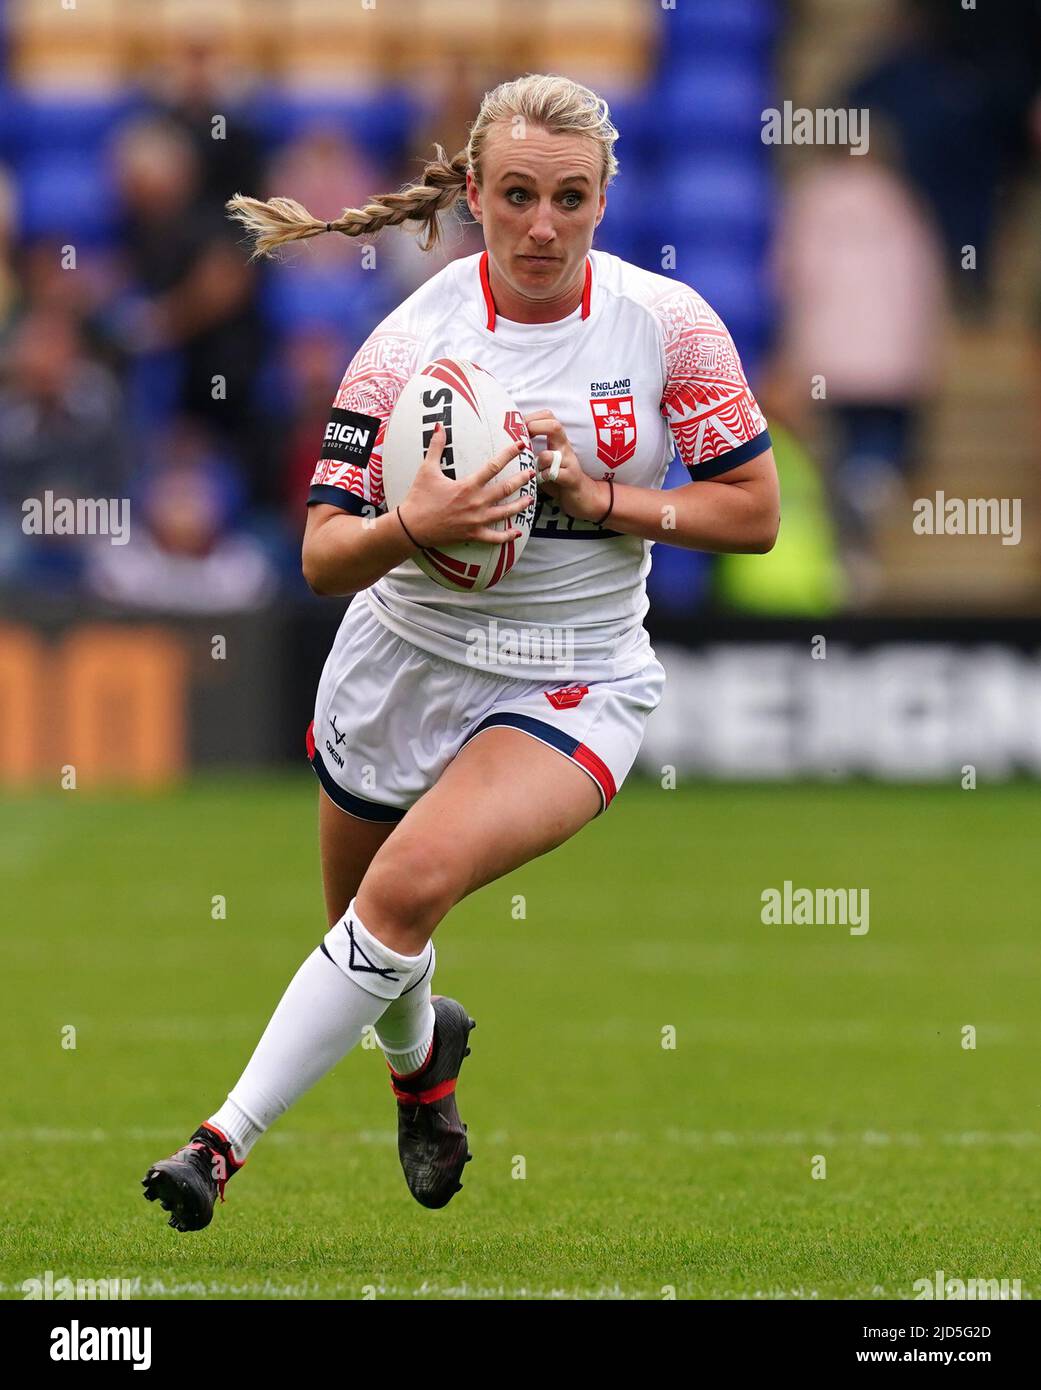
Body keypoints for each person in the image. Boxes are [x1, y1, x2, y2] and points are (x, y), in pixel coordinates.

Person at [142, 73, 779, 1232]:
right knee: (371, 935)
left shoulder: (670, 325)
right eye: (520, 194)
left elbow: (754, 512)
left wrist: (603, 498)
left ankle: (218, 1142)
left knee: (406, 891)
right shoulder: (408, 339)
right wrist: (415, 528)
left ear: (604, 198)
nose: (544, 225)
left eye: (572, 198)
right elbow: (324, 555)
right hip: (402, 654)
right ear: (474, 191)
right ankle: (424, 1065)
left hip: (572, 670)